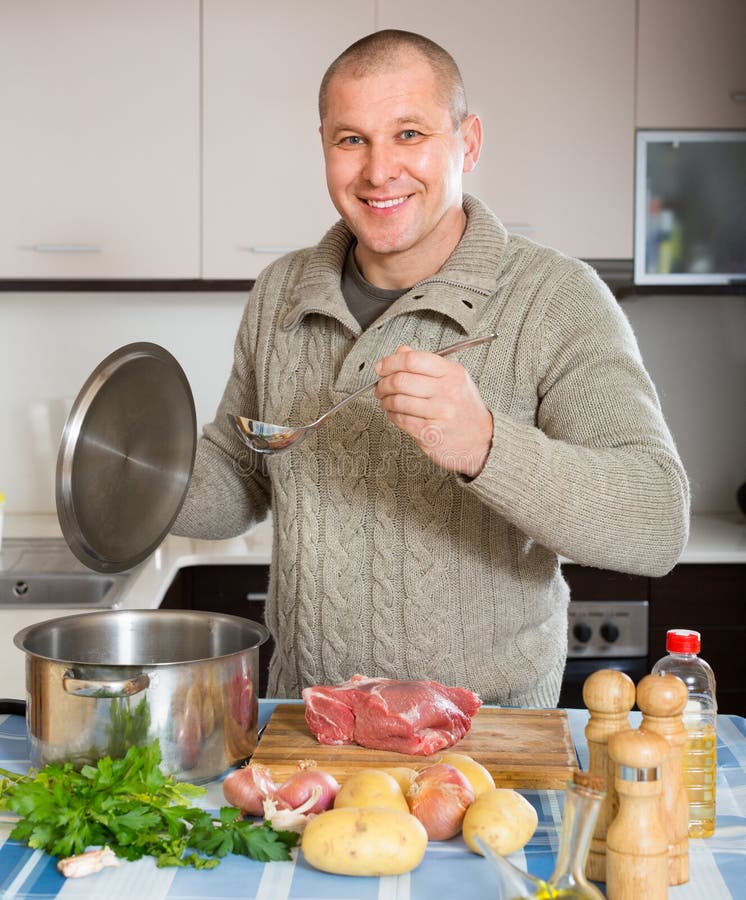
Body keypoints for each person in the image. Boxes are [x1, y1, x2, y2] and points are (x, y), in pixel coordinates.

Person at [173, 29, 689, 706]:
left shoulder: (554, 298)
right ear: (323, 146)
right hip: (310, 729)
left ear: (468, 142)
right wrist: (135, 478)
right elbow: (240, 479)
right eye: (351, 139)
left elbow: (658, 523)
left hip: (486, 744)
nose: (379, 171)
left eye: (410, 134)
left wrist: (485, 445)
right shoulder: (282, 291)